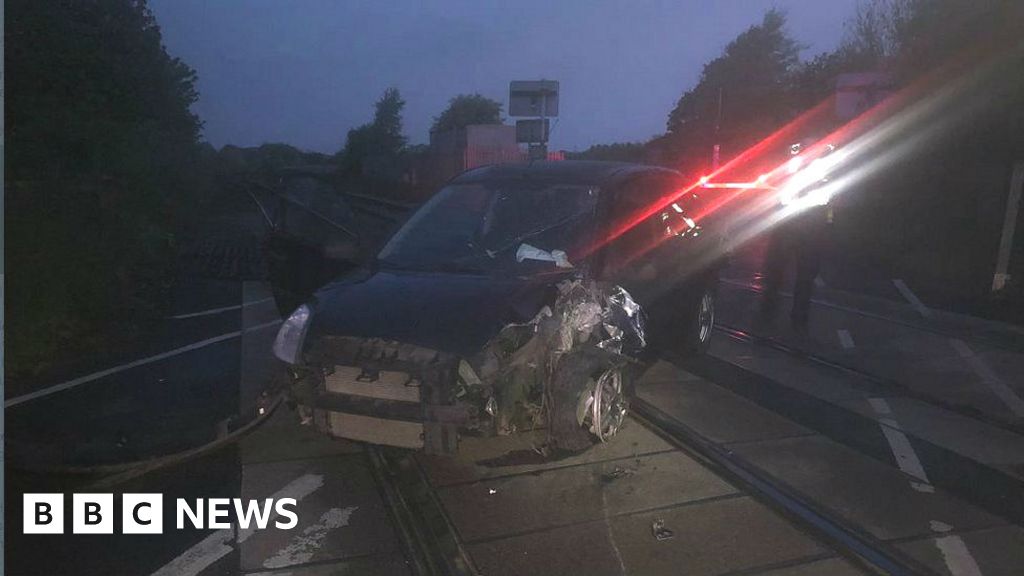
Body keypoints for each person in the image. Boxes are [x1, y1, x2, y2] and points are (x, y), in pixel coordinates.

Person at [760, 141, 834, 328]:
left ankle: (773, 314)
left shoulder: (805, 163)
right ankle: (788, 316)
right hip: (801, 224)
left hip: (796, 223)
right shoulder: (817, 165)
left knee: (786, 274)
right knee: (791, 275)